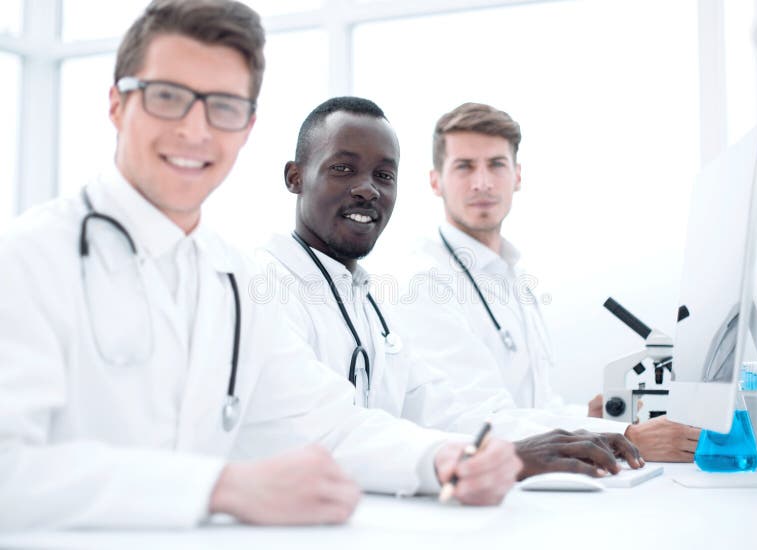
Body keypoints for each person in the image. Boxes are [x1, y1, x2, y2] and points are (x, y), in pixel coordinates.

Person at [0, 3, 521, 530]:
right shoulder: (28, 258)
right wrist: (216, 487)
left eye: (223, 106)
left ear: (246, 126)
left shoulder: (234, 280)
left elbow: (326, 423)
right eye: (167, 97)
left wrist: (440, 459)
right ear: (117, 104)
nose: (194, 129)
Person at [257, 96, 645, 481]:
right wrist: (473, 458)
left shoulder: (367, 302)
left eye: (384, 176)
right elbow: (327, 429)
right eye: (343, 168)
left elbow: (444, 412)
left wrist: (593, 432)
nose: (368, 190)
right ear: (295, 177)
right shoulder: (266, 288)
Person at [392, 102, 700, 462]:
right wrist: (624, 436)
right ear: (435, 181)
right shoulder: (425, 283)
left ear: (517, 176)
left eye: (496, 164)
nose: (482, 182)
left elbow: (535, 404)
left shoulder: (512, 277)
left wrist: (585, 420)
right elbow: (475, 418)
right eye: (464, 166)